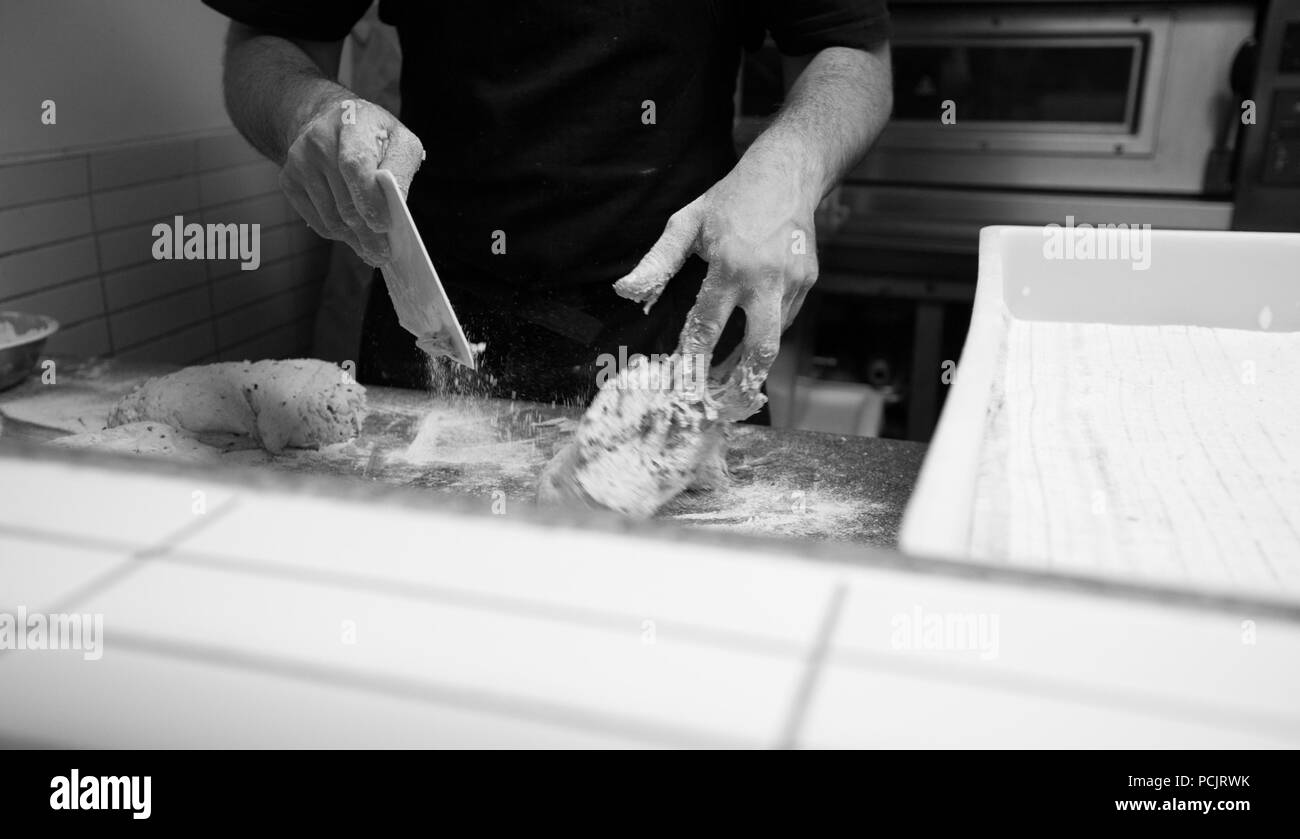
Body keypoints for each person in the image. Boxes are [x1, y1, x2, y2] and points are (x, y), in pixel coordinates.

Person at [205, 1, 893, 420]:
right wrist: (309, 110)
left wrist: (788, 166)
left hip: (673, 336)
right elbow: (268, 42)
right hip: (434, 324)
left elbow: (852, 49)